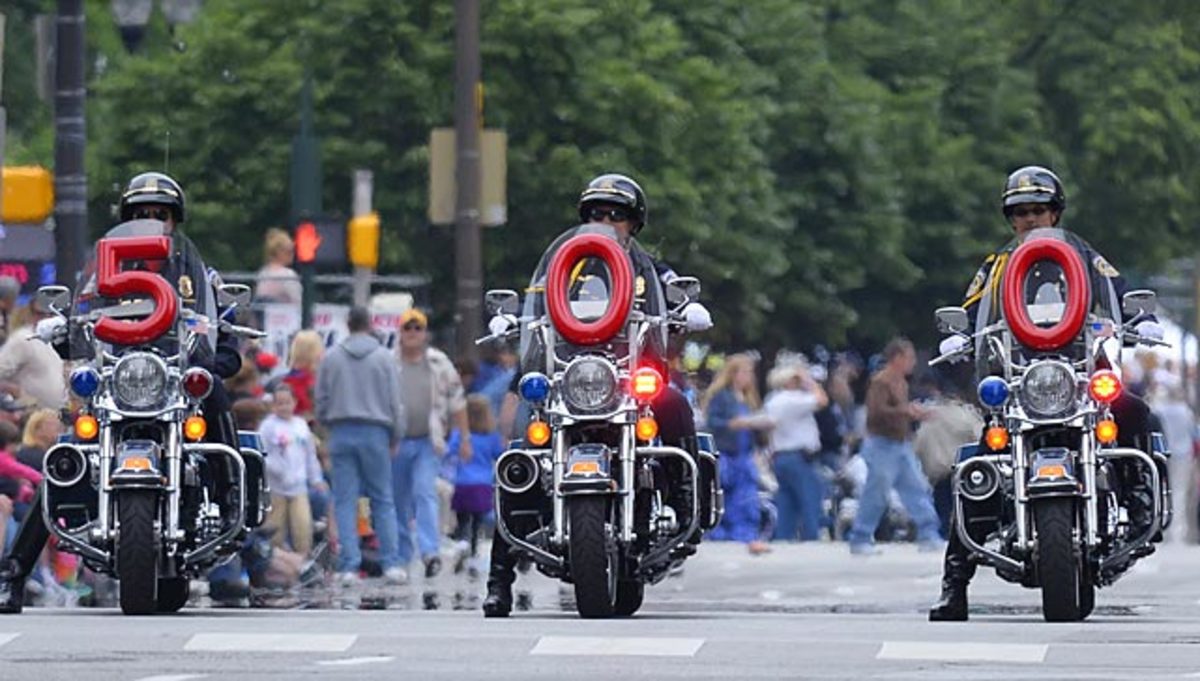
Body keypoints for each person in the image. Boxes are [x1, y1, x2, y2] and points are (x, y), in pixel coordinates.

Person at [0, 171, 244, 614]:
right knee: (66, 458)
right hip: (118, 381)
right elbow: (79, 317)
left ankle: (231, 493)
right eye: (142, 213)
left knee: (215, 395)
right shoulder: (104, 272)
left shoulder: (194, 272)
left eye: (160, 213)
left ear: (175, 219)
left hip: (172, 380)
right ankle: (12, 574)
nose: (152, 219)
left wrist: (218, 352)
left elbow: (221, 324)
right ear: (127, 219)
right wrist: (64, 331)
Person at [929, 165, 1164, 621]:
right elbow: (972, 307)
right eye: (1020, 212)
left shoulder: (1083, 255)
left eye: (1038, 210)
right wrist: (958, 335)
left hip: (1078, 376)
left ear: (1055, 212)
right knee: (977, 466)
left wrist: (1143, 319)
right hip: (1021, 382)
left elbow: (1117, 289)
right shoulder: (996, 265)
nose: (1029, 219)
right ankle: (954, 585)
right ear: (1010, 218)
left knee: (1134, 412)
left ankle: (1140, 503)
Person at [481, 173, 714, 616]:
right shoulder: (563, 267)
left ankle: (685, 500)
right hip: (569, 380)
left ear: (634, 222)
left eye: (616, 215)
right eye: (597, 214)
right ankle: (499, 580)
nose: (606, 221)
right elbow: (534, 305)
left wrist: (689, 311)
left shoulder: (649, 270)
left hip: (629, 381)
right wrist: (510, 319)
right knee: (521, 458)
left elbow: (675, 300)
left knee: (673, 403)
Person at [315, 305, 406, 586]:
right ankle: (390, 563)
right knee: (383, 499)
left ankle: (349, 565)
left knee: (344, 500)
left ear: (348, 324)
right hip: (376, 431)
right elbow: (395, 401)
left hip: (341, 429)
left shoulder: (331, 357)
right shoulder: (384, 358)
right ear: (369, 324)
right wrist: (396, 435)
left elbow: (321, 399)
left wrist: (327, 425)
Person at [845, 338, 943, 555]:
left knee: (917, 489)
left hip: (900, 444)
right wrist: (907, 411)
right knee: (876, 493)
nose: (913, 362)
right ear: (897, 358)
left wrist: (912, 412)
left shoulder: (901, 382)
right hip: (882, 444)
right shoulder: (881, 381)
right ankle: (860, 537)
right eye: (909, 357)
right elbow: (876, 411)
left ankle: (929, 534)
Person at [393, 307, 468, 580]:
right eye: (407, 328)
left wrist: (465, 438)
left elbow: (457, 401)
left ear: (425, 333)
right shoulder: (388, 362)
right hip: (396, 440)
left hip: (429, 440)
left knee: (424, 491)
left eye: (418, 328)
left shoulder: (439, 362)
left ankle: (429, 552)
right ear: (400, 333)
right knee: (398, 498)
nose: (413, 333)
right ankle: (401, 554)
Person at [704, 354, 774, 553]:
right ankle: (719, 534)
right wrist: (733, 424)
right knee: (723, 496)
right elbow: (712, 423)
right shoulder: (721, 397)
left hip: (744, 455)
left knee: (746, 498)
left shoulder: (749, 399)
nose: (748, 377)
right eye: (744, 372)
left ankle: (746, 535)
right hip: (727, 455)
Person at [764, 360, 829, 542]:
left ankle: (783, 538)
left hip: (781, 456)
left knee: (787, 502)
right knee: (810, 499)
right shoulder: (793, 399)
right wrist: (809, 381)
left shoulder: (773, 400)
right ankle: (811, 538)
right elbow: (822, 399)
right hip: (798, 457)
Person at [260, 386, 325, 556]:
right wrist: (277, 470)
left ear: (294, 403)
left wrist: (316, 479)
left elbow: (310, 455)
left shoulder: (301, 426)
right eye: (279, 403)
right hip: (276, 487)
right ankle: (275, 558)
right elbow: (263, 454)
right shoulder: (268, 427)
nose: (284, 407)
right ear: (273, 405)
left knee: (302, 524)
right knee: (275, 527)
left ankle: (302, 556)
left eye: (287, 403)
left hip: (298, 485)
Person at [445, 395, 503, 573]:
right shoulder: (491, 437)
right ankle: (473, 552)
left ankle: (462, 541)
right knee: (478, 522)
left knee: (463, 519)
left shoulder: (460, 436)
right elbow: (500, 454)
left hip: (462, 484)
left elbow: (448, 452)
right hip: (482, 486)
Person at [0, 298, 66, 410]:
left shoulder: (62, 339)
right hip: (30, 413)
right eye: (40, 313)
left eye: (50, 314)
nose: (45, 318)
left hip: (60, 413)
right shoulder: (23, 339)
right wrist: (13, 390)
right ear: (31, 314)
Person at [254, 228, 303, 305]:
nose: (293, 255)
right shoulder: (287, 275)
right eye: (289, 252)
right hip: (284, 311)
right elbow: (299, 302)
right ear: (279, 252)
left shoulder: (262, 273)